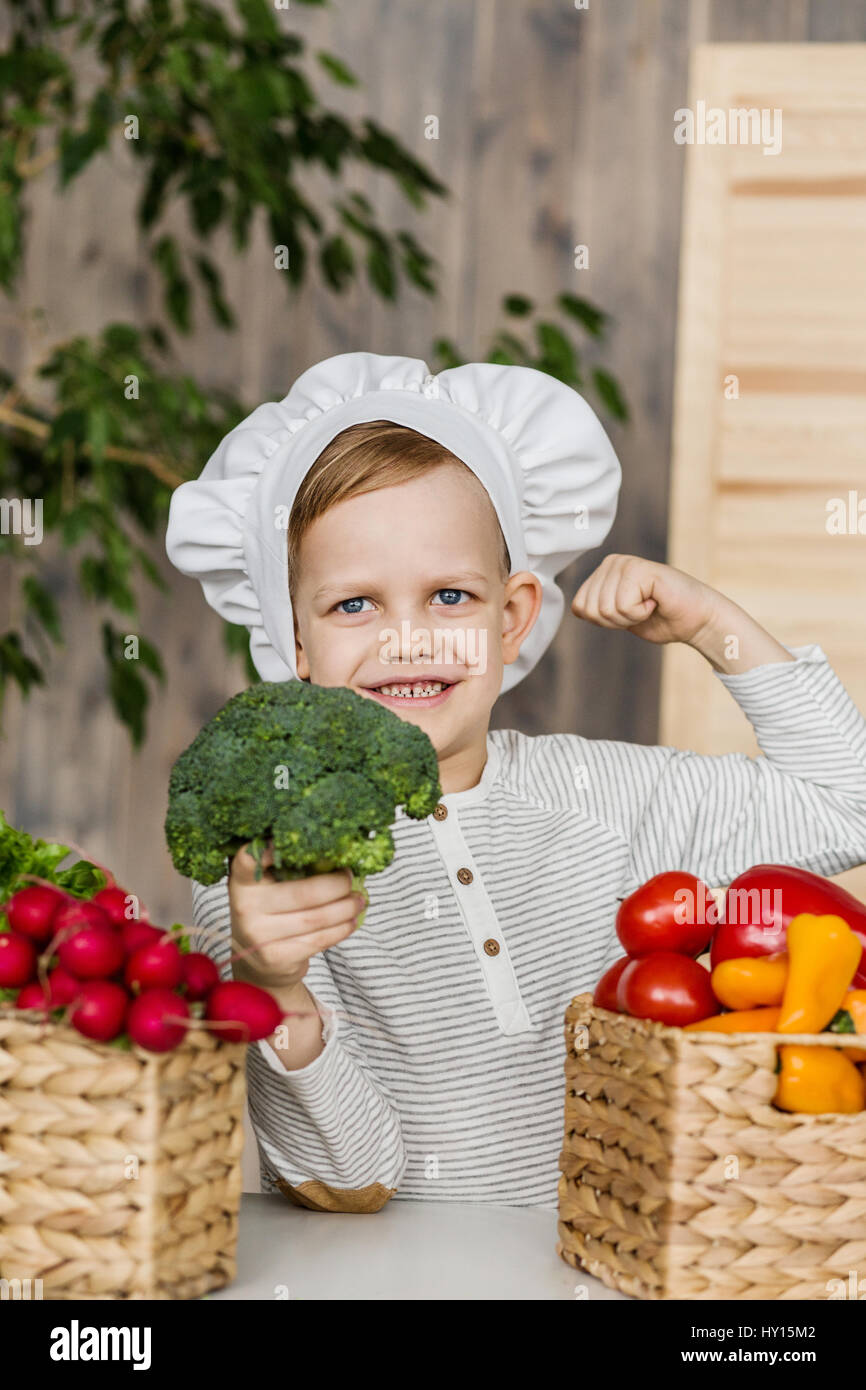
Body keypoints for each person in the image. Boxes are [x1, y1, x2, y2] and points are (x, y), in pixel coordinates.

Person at [165, 352, 866, 1213]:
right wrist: (271, 986)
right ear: (293, 644)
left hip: (606, 1269)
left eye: (450, 596)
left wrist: (710, 625)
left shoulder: (612, 797)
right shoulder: (263, 873)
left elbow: (846, 803)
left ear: (514, 616)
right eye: (355, 605)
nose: (410, 639)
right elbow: (352, 1182)